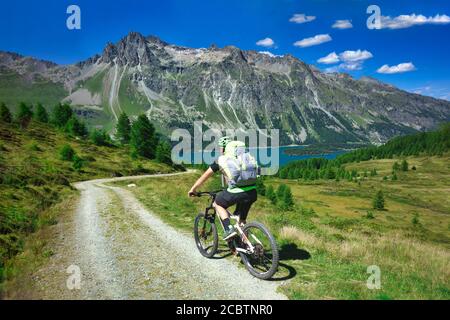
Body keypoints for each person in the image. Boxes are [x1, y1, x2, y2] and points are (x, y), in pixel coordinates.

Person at [188, 136, 258, 241]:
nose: (219, 150)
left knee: (217, 204)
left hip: (236, 192)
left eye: (220, 147)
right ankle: (247, 246)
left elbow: (204, 176)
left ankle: (229, 229)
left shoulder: (221, 160)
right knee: (241, 220)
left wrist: (193, 189)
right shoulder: (243, 158)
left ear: (224, 148)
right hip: (252, 192)